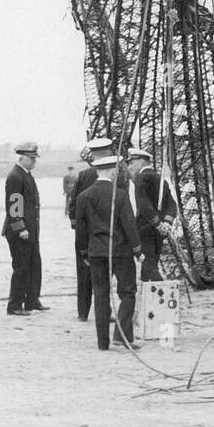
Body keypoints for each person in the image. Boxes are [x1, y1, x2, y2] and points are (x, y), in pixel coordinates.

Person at [74, 148, 142, 351]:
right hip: (120, 252)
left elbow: (81, 231)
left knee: (101, 295)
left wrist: (84, 254)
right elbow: (129, 225)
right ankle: (122, 336)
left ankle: (102, 343)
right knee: (128, 292)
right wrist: (138, 250)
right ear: (113, 171)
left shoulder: (83, 197)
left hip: (96, 252)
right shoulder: (120, 196)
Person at [69, 137, 115, 321]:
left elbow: (73, 206)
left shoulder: (83, 176)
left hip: (86, 234)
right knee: (105, 274)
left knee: (83, 273)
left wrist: (78, 227)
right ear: (109, 153)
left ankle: (83, 312)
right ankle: (104, 312)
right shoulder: (116, 175)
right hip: (108, 234)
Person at [2, 141, 47, 315]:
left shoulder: (25, 174)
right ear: (22, 158)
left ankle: (32, 301)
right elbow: (14, 206)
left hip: (31, 231)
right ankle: (14, 305)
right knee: (21, 268)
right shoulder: (15, 176)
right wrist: (20, 228)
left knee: (34, 265)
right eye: (31, 158)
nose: (34, 161)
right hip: (20, 232)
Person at [128, 148, 178, 282]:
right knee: (150, 266)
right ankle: (148, 299)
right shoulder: (160, 179)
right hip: (160, 232)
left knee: (149, 265)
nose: (130, 167)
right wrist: (166, 223)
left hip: (145, 230)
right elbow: (172, 205)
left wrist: (157, 224)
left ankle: (165, 294)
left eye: (132, 163)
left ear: (141, 162)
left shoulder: (141, 178)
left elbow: (144, 205)